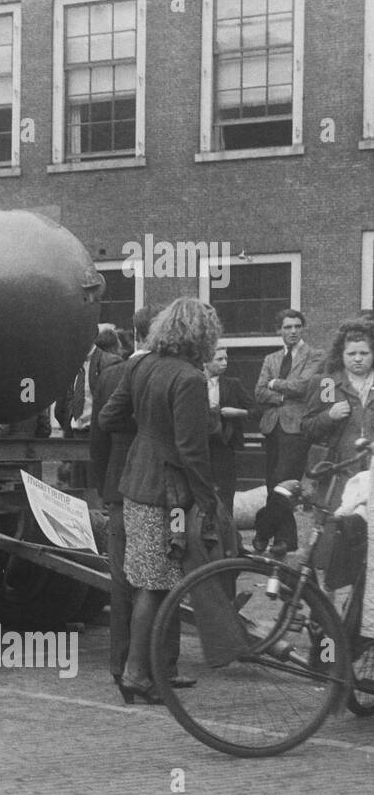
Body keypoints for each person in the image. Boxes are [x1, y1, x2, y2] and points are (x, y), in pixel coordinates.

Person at [98, 297, 224, 704]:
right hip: (169, 494)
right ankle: (137, 673)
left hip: (135, 482)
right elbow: (192, 450)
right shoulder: (189, 378)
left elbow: (107, 418)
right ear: (202, 336)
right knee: (155, 584)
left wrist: (148, 431)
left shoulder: (139, 364)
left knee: (150, 580)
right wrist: (208, 502)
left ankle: (147, 670)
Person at [90, 306, 181, 687]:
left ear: (135, 333)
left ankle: (121, 663)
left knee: (124, 579)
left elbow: (99, 435)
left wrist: (102, 484)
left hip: (118, 485)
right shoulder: (173, 374)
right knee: (165, 573)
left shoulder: (113, 374)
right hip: (159, 487)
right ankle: (164, 667)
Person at [253, 309, 322, 555]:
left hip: (297, 428)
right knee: (273, 483)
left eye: (296, 326)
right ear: (279, 331)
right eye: (287, 327)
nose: (292, 331)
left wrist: (274, 384)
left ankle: (262, 530)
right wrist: (282, 392)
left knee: (285, 480)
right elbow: (259, 392)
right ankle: (285, 540)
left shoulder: (315, 355)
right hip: (272, 427)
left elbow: (304, 387)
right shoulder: (271, 358)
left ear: (302, 328)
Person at [301, 319, 374, 470]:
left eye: (364, 353)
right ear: (341, 354)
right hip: (339, 471)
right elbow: (307, 429)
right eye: (351, 353)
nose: (358, 359)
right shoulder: (327, 384)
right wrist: (329, 416)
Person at [205, 346, 255, 514]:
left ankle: (226, 533)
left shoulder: (233, 384)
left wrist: (238, 412)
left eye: (226, 359)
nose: (225, 363)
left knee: (226, 493)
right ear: (206, 361)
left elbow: (256, 410)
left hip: (224, 446)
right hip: (200, 446)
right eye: (219, 359)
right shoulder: (194, 382)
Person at [55, 325, 120, 437]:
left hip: (98, 435)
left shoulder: (110, 363)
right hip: (73, 435)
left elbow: (116, 405)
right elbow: (60, 408)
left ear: (92, 335)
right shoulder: (69, 365)